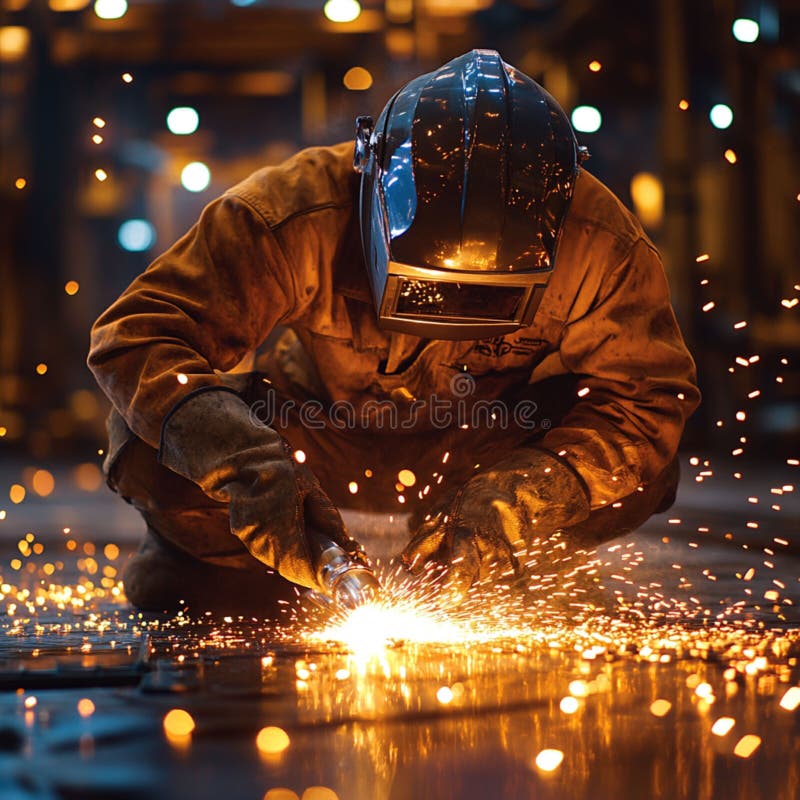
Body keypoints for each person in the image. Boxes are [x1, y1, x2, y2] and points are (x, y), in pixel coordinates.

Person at [88, 50, 699, 614]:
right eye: (429, 285)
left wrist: (514, 501)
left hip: (479, 446)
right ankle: (233, 571)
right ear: (374, 190)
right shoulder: (288, 215)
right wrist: (249, 467)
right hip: (316, 432)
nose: (450, 310)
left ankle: (499, 574)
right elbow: (136, 337)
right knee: (148, 442)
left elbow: (647, 400)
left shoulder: (600, 243)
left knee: (645, 469)